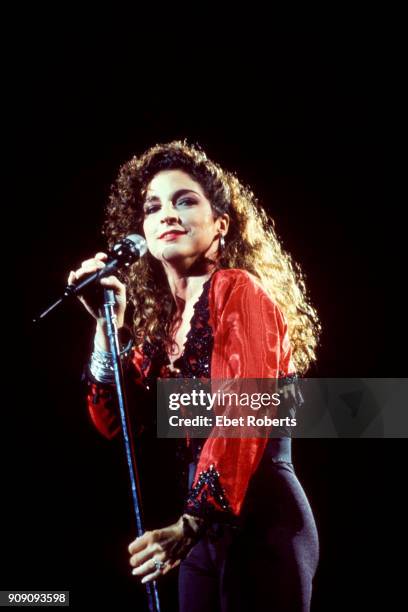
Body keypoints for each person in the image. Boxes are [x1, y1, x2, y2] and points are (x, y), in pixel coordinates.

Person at [68, 140, 321, 611]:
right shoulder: (161, 330)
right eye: (153, 206)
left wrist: (189, 524)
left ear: (220, 224)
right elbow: (115, 422)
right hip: (201, 530)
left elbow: (242, 415)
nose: (167, 214)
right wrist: (107, 330)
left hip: (263, 519)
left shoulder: (239, 291)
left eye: (185, 201)